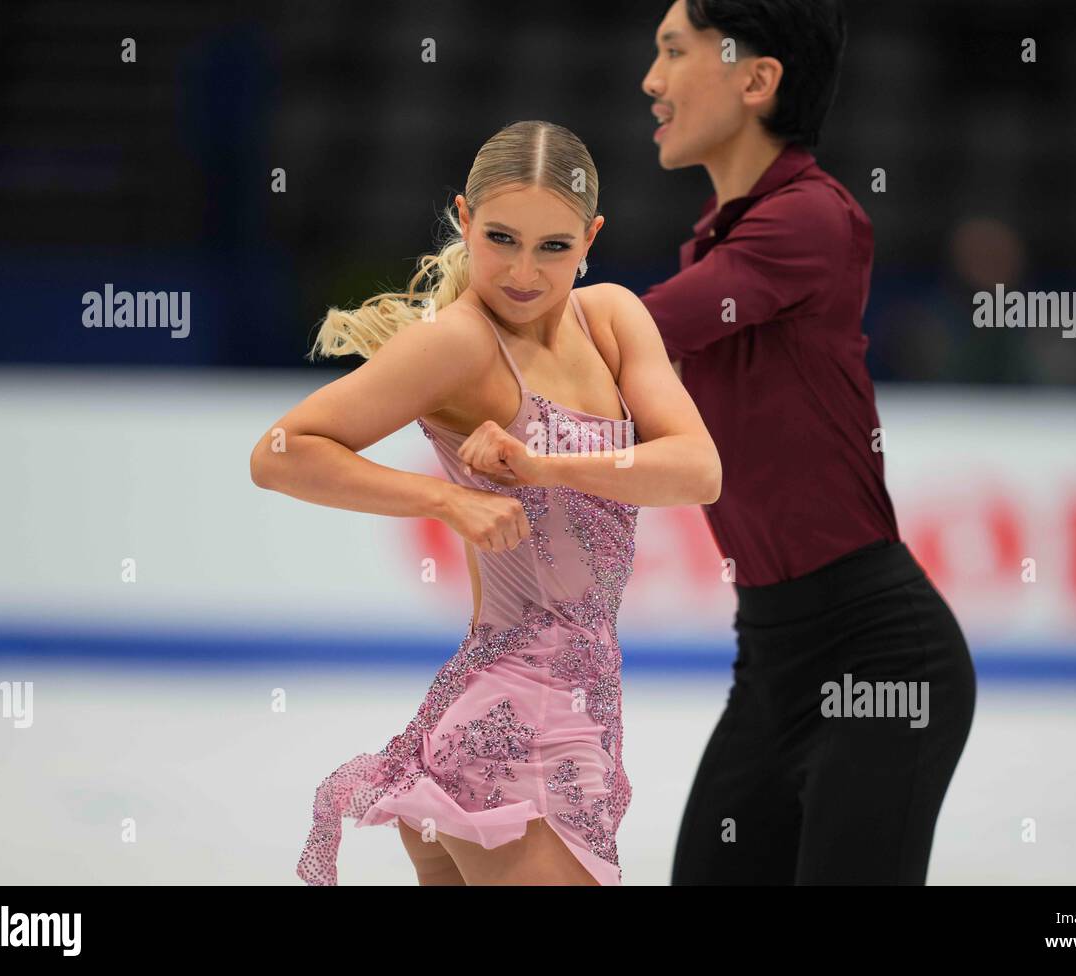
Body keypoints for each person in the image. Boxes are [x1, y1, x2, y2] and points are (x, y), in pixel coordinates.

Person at [250, 120, 721, 885]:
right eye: (501, 238)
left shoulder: (610, 319)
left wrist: (542, 467)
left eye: (553, 247)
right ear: (465, 219)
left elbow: (697, 470)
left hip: (564, 708)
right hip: (516, 732)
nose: (524, 272)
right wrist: (446, 499)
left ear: (591, 237)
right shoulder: (458, 343)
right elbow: (279, 453)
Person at [638, 0, 977, 883]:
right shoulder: (712, 248)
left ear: (756, 78)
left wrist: (472, 326)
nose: (652, 80)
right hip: (770, 663)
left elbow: (624, 334)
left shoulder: (811, 220)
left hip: (881, 661)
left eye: (674, 52)